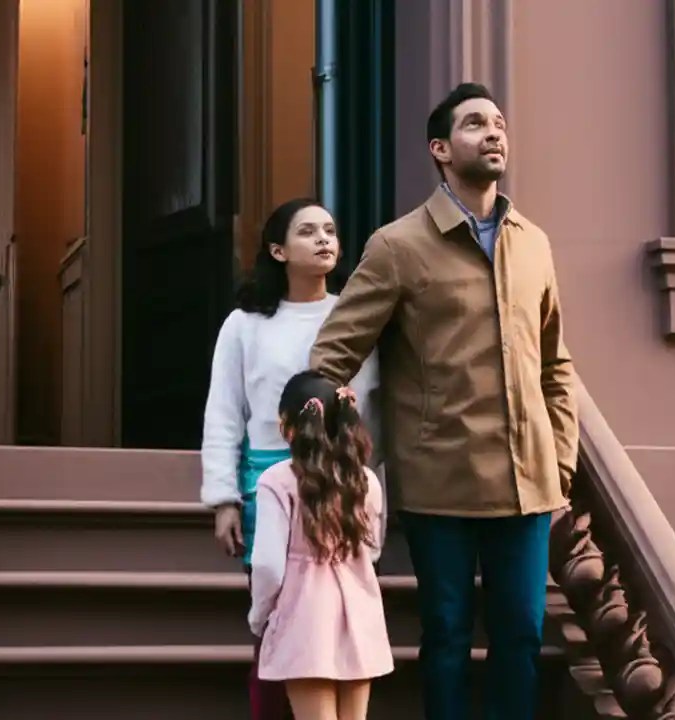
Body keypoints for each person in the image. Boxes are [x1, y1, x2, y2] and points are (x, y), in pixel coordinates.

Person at [309, 82, 580, 719]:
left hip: (527, 483)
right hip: (439, 482)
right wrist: (321, 445)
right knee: (448, 638)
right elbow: (332, 355)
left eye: (499, 123)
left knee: (521, 636)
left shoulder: (533, 243)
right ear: (440, 148)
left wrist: (562, 460)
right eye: (475, 124)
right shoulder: (397, 245)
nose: (494, 133)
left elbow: (555, 363)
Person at [201, 198, 379, 719]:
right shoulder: (244, 325)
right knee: (278, 619)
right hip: (268, 479)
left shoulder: (353, 317)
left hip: (339, 482)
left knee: (335, 616)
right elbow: (224, 410)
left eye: (330, 230)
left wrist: (370, 490)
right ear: (278, 250)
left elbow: (369, 408)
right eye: (307, 231)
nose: (324, 239)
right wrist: (223, 499)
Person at [248, 370, 394, 720]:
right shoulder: (366, 481)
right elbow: (373, 548)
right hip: (359, 618)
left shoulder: (277, 481)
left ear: (288, 426)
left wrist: (259, 616)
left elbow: (268, 565)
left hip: (304, 620)